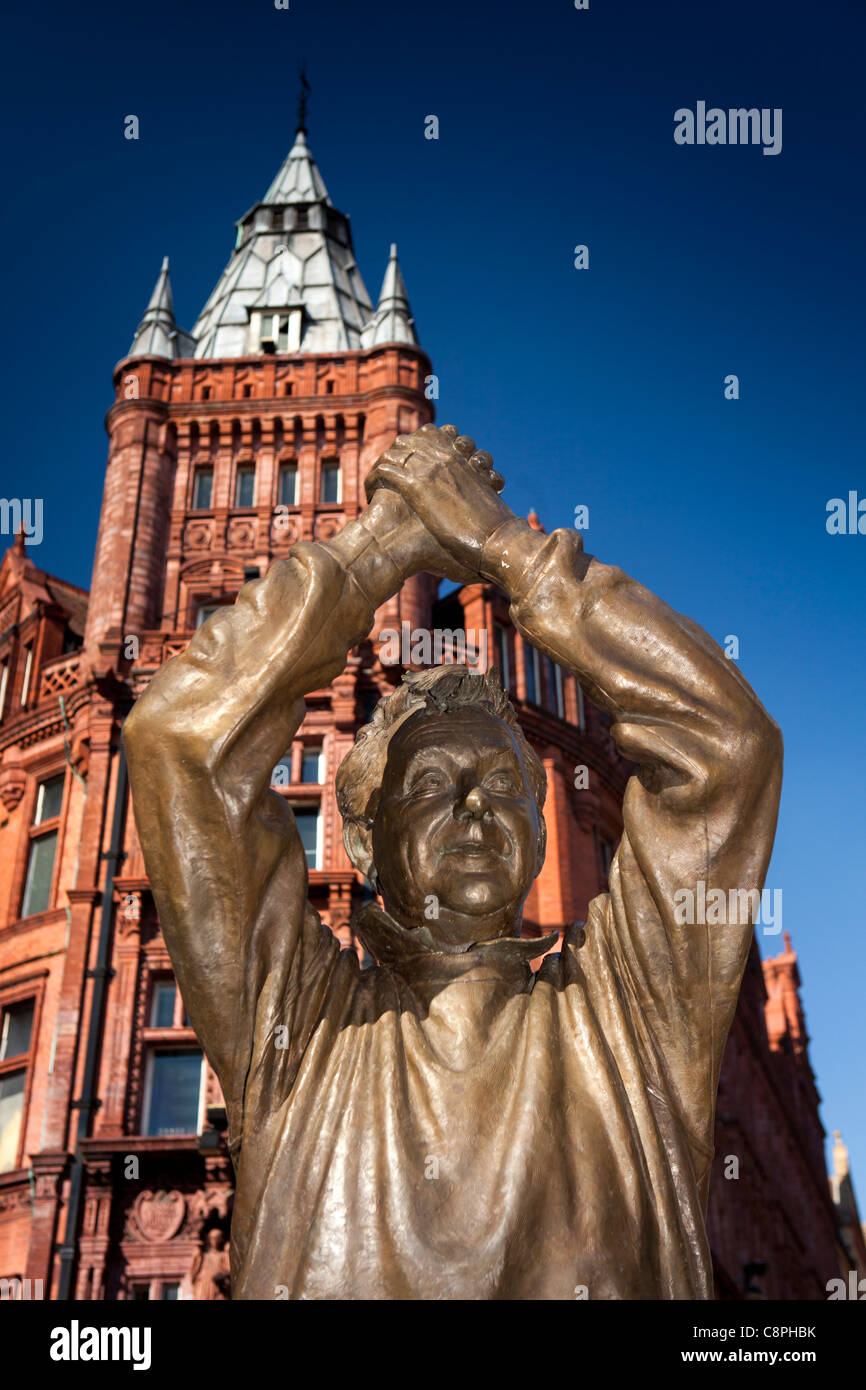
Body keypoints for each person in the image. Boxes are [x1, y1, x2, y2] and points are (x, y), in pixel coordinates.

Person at [123, 423, 782, 1299]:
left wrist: (505, 550)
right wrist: (376, 550)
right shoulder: (296, 1037)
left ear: (542, 839)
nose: (477, 804)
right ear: (367, 842)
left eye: (507, 787)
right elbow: (179, 740)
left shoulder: (632, 1027)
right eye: (432, 782)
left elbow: (730, 748)